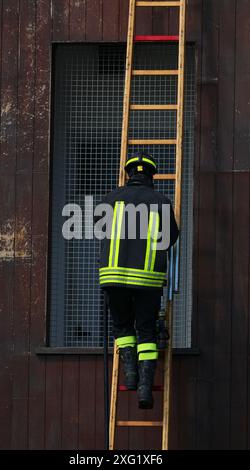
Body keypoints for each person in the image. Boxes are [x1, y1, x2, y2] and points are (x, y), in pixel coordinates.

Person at [98, 152, 179, 409]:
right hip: (148, 281)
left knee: (123, 327)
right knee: (146, 331)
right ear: (151, 177)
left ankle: (130, 376)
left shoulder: (110, 200)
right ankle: (145, 389)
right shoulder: (161, 202)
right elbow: (171, 238)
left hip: (113, 278)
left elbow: (100, 232)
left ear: (129, 174)